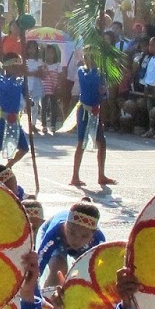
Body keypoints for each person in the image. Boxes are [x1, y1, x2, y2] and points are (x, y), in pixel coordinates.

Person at [70, 47, 113, 187]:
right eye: (88, 56)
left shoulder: (101, 73)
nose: (90, 59)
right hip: (84, 110)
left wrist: (104, 90)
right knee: (81, 142)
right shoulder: (82, 71)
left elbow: (104, 93)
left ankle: (101, 174)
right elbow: (88, 81)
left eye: (93, 56)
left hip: (95, 110)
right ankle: (75, 176)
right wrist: (97, 72)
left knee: (102, 141)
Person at [36, 200, 104, 285]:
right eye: (72, 233)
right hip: (58, 240)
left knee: (87, 271)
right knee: (58, 268)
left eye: (84, 236)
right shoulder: (54, 233)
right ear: (65, 225)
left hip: (82, 245)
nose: (76, 240)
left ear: (93, 234)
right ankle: (50, 293)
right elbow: (38, 266)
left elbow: (104, 270)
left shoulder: (98, 239)